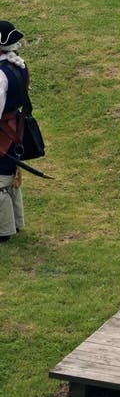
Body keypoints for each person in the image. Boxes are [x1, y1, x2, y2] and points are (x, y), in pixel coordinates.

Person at [0, 20, 29, 243]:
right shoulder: (19, 65)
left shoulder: (1, 75)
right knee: (9, 177)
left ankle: (4, 231)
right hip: (15, 128)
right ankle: (16, 222)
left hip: (3, 130)